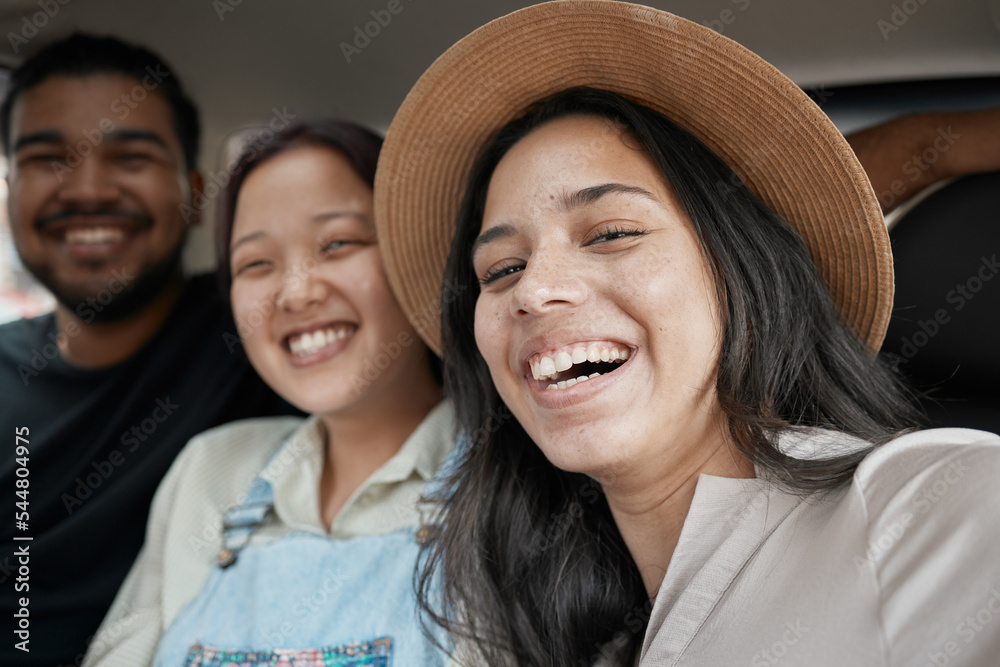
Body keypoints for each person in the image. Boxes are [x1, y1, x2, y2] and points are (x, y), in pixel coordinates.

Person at [372, 2, 1000, 665]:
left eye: (612, 232)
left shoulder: (927, 504)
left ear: (739, 273)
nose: (531, 289)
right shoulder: (510, 626)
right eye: (500, 269)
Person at [83, 118, 455, 666]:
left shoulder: (521, 484)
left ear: (416, 255)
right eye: (257, 263)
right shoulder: (210, 471)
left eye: (337, 243)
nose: (297, 292)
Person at [0, 34, 296, 665]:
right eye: (48, 158)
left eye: (129, 157)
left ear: (194, 195)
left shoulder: (268, 330)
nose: (87, 190)